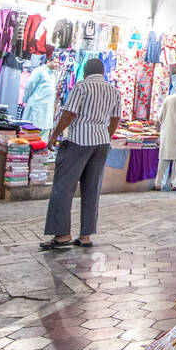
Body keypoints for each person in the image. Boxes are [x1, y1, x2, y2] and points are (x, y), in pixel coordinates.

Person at [40, 57, 120, 250]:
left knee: (63, 187)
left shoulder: (81, 87)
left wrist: (54, 135)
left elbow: (69, 114)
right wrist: (104, 136)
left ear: (85, 71)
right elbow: (115, 119)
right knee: (92, 188)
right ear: (102, 72)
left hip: (79, 141)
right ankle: (85, 236)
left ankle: (62, 234)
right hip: (101, 143)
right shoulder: (114, 91)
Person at [20, 54, 58, 138]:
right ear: (48, 61)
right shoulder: (39, 71)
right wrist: (25, 100)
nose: (57, 64)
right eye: (55, 62)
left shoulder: (52, 74)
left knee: (43, 133)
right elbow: (30, 85)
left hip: (47, 109)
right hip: (37, 107)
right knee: (32, 132)